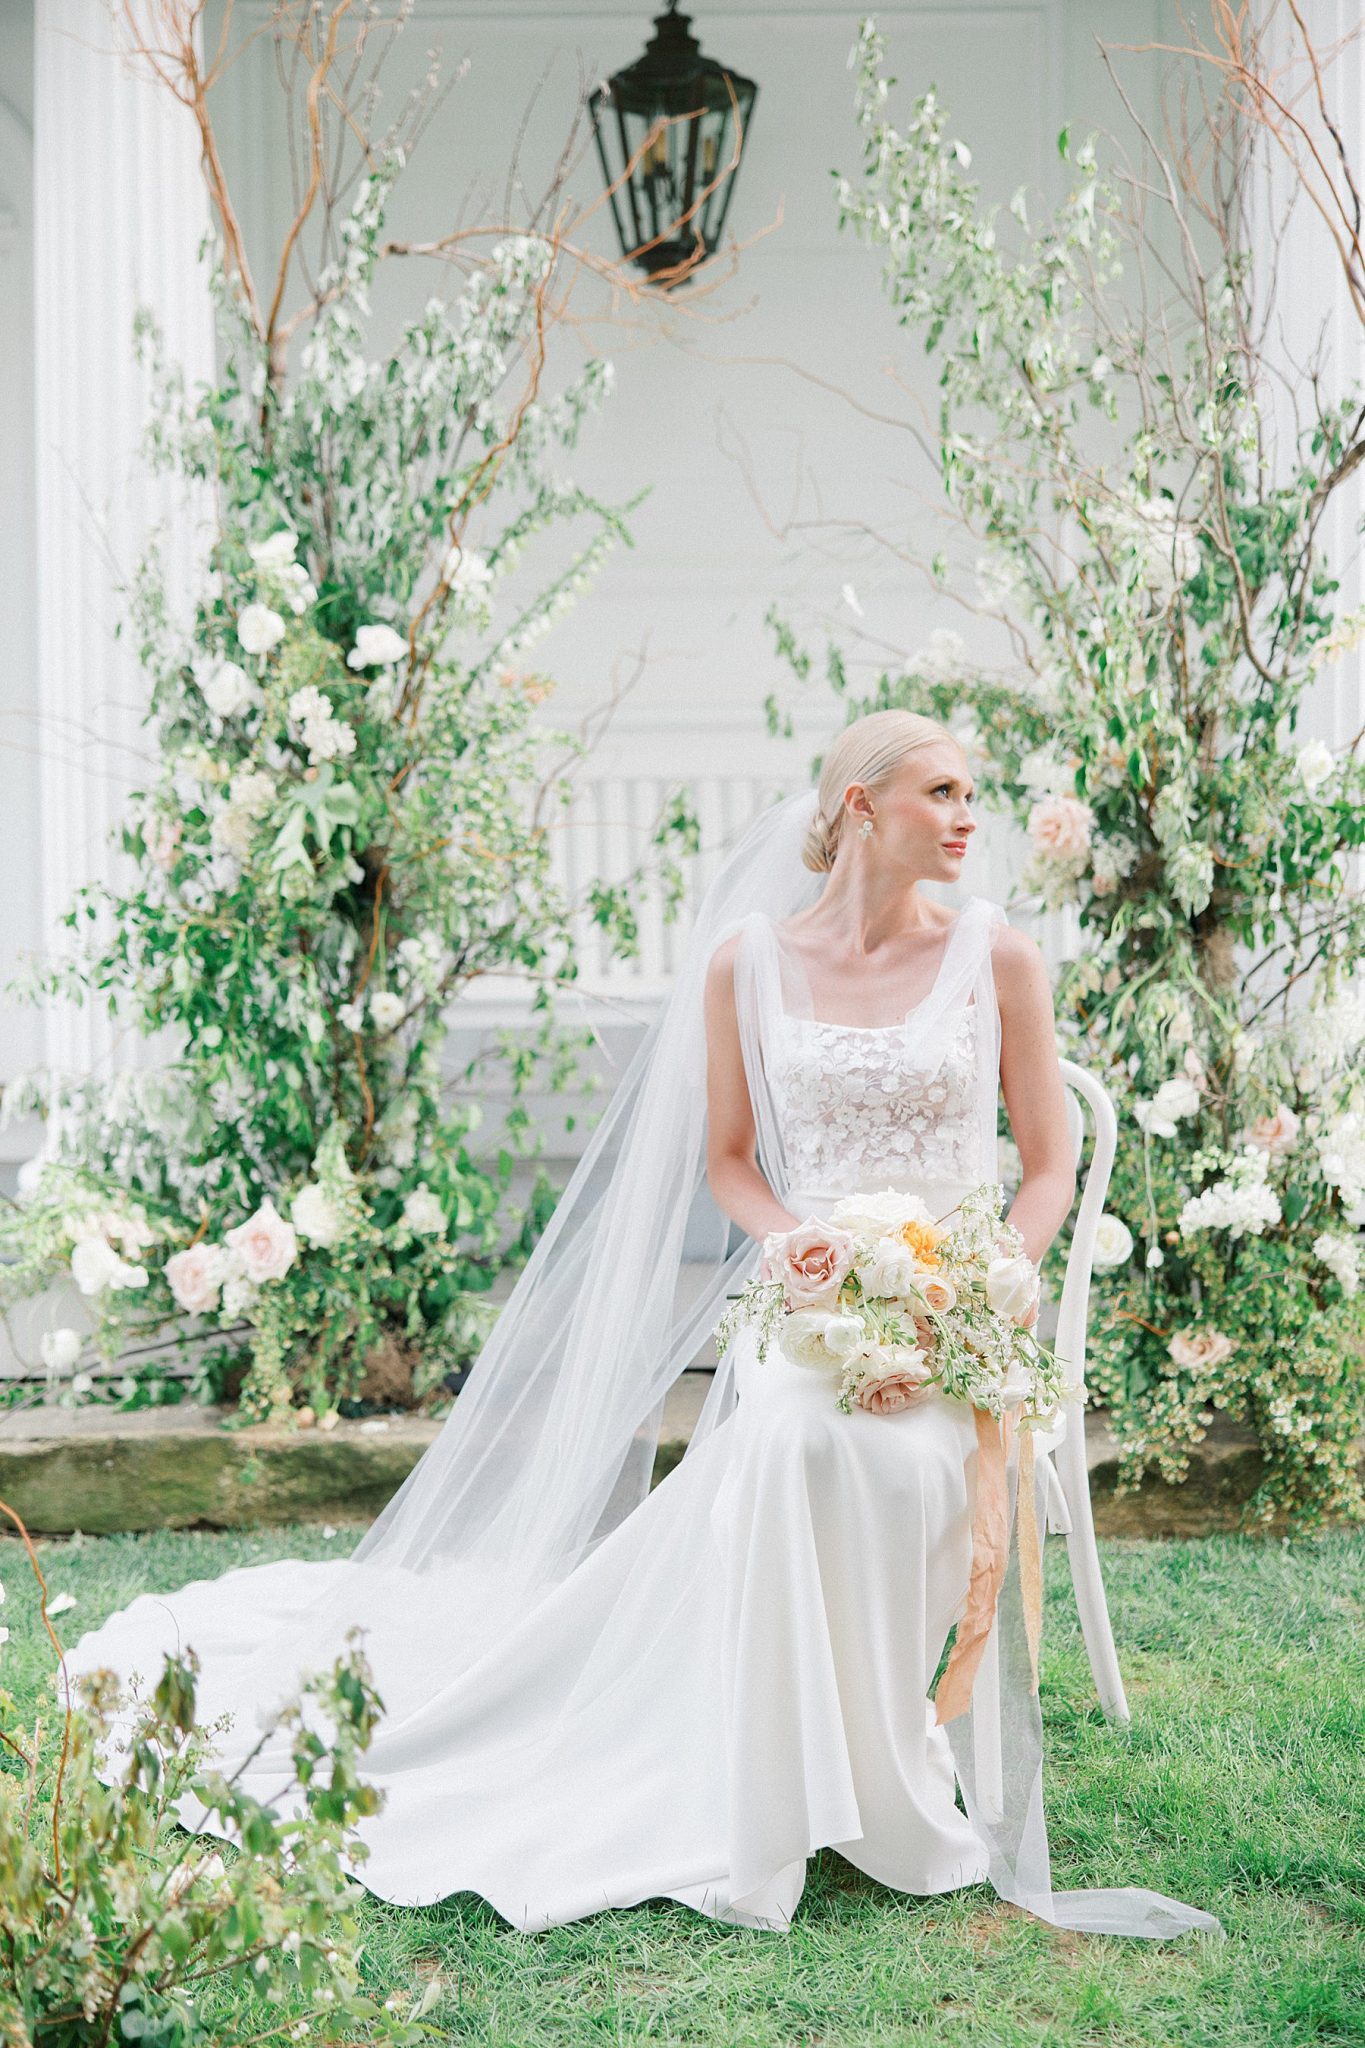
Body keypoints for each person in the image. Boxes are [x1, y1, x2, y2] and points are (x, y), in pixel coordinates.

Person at [67, 709, 1223, 1938]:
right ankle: (772, 1799)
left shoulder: (1001, 957)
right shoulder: (748, 963)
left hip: (959, 1308)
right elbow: (730, 1162)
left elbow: (1046, 1166)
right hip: (815, 1300)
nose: (968, 816)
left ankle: (879, 1772)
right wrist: (797, 1247)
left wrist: (979, 1289)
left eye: (971, 794)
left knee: (858, 1449)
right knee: (786, 1434)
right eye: (941, 791)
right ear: (861, 807)